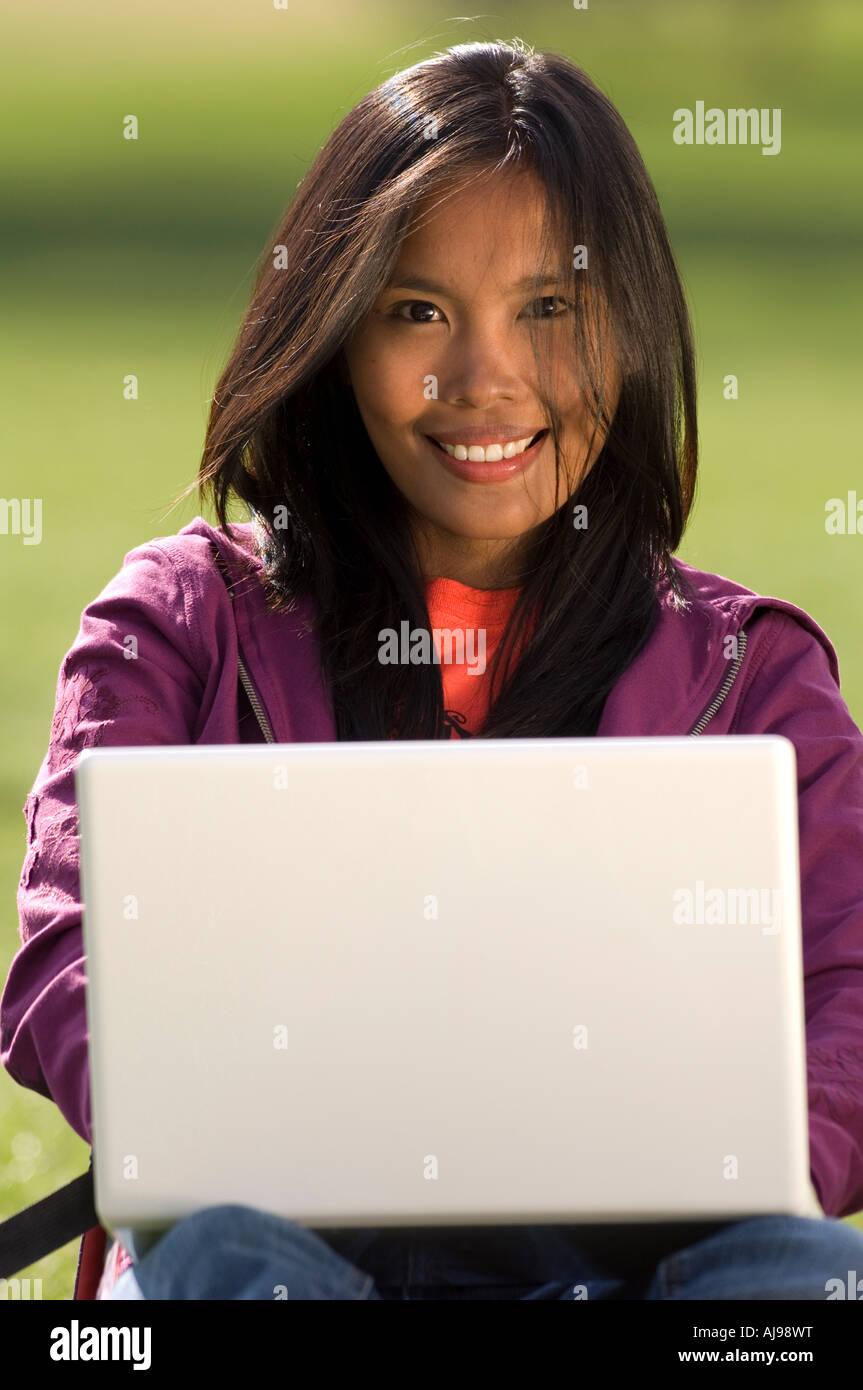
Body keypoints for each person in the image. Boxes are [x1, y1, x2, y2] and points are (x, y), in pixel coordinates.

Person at [3, 38, 863, 1302]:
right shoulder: (182, 623)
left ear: (627, 322)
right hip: (268, 1246)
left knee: (799, 1280)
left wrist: (757, 1155)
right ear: (335, 327)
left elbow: (845, 984)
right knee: (224, 1264)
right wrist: (202, 1125)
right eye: (416, 312)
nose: (483, 381)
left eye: (548, 308)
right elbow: (62, 956)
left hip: (640, 1264)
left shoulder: (753, 677)